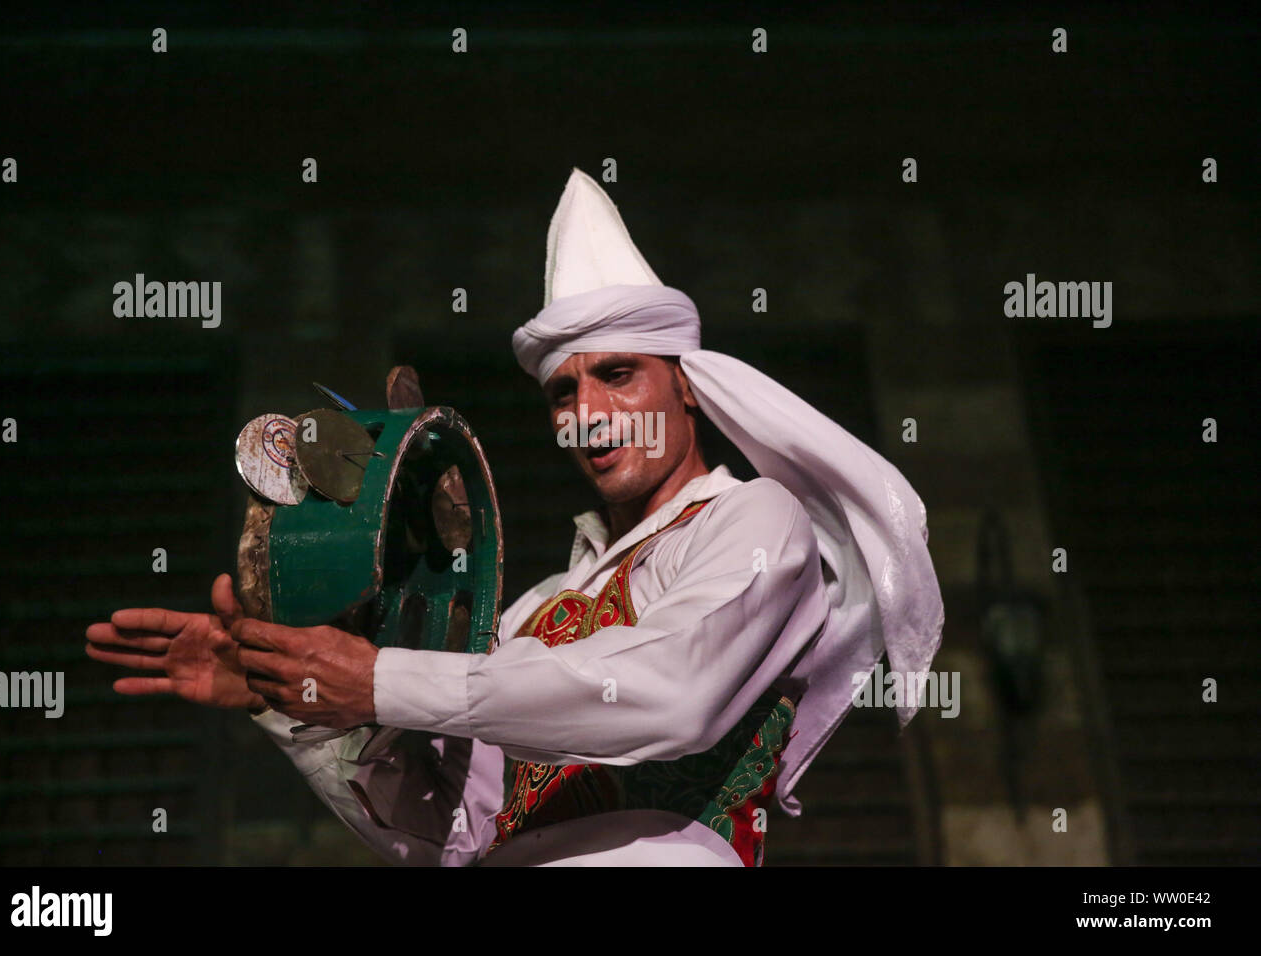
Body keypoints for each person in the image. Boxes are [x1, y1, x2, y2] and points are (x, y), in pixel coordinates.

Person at [85, 168, 944, 866]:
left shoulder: (756, 522)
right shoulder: (531, 613)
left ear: (684, 385)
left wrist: (380, 677)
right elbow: (445, 835)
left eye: (617, 375)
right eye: (564, 391)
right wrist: (298, 696)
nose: (589, 411)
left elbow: (674, 692)